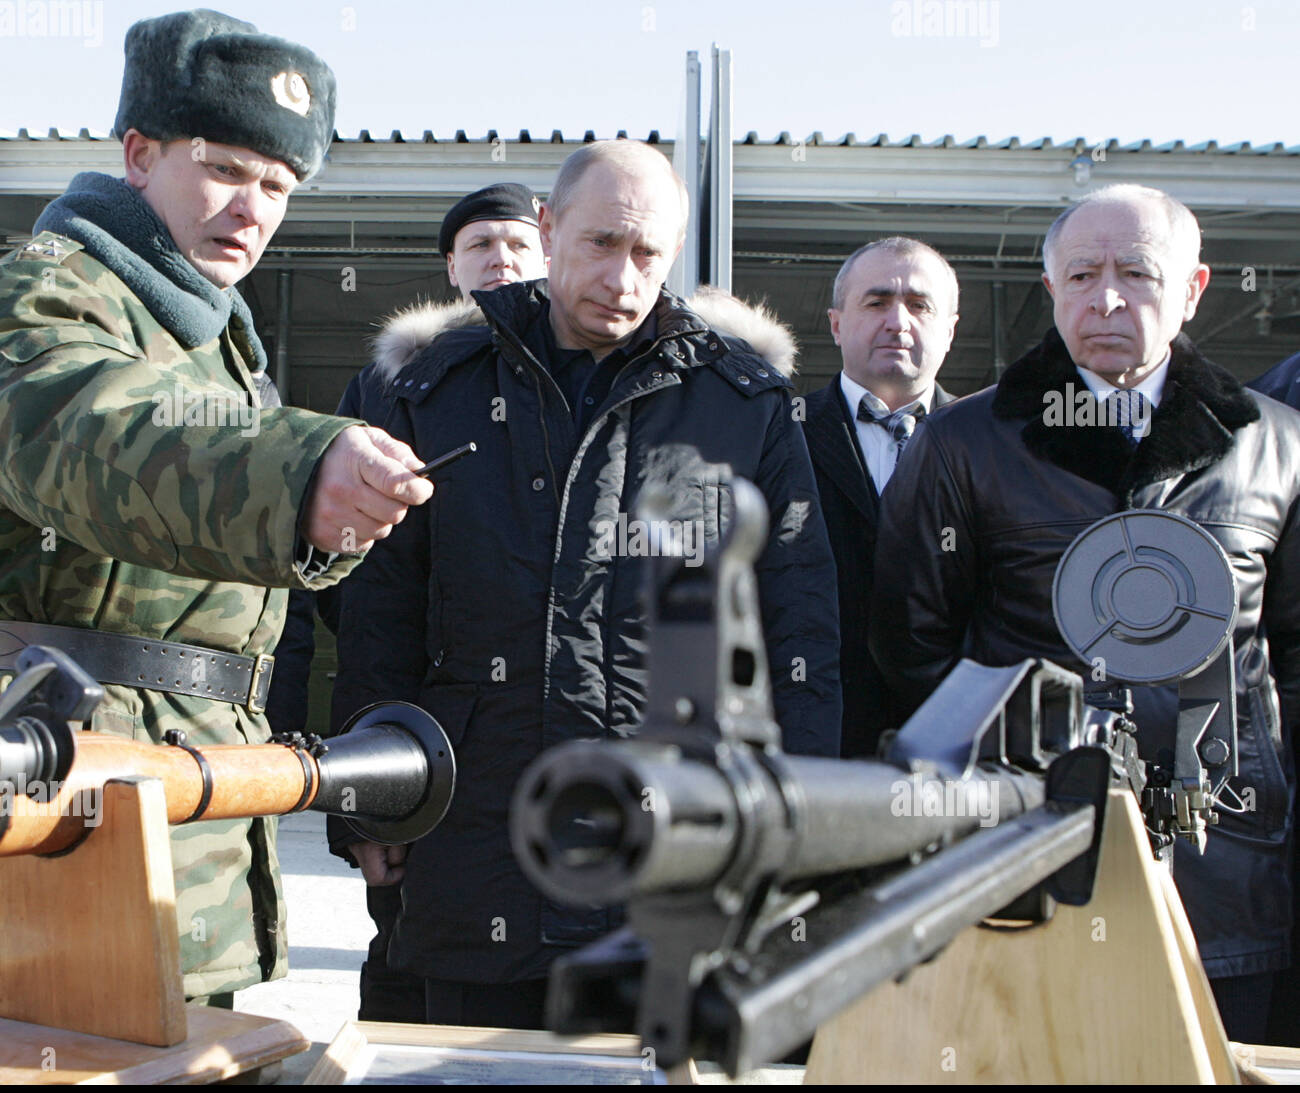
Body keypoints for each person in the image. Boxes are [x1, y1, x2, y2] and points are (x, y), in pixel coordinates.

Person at [328, 138, 841, 1028]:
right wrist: (367, 800)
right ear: (548, 226)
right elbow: (380, 612)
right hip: (474, 825)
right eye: (601, 244)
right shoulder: (431, 388)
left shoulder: (741, 404)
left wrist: (795, 827)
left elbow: (799, 621)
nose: (622, 276)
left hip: (671, 838)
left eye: (647, 255)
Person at [0, 9, 431, 1004]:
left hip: (187, 821)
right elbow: (85, 435)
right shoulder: (46, 291)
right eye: (227, 169)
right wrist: (297, 474)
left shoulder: (208, 337)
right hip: (57, 820)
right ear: (139, 152)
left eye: (279, 186)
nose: (254, 208)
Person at [869, 183, 1300, 1043]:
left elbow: (1290, 653)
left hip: (1227, 872)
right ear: (1052, 287)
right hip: (1023, 857)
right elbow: (911, 649)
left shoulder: (1277, 446)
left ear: (1193, 288)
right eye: (1081, 275)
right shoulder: (967, 442)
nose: (1106, 298)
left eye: (1137, 273)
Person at [265, 182, 550, 1022]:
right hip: (429, 739)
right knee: (413, 966)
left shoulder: (591, 380)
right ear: (450, 269)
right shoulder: (392, 387)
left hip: (569, 752)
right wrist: (365, 786)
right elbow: (359, 597)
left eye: (518, 244)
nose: (502, 258)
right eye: (481, 246)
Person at [803, 238, 958, 757]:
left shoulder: (996, 444)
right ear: (836, 323)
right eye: (876, 302)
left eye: (919, 305)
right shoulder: (778, 434)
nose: (898, 321)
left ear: (951, 330)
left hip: (952, 752)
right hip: (811, 748)